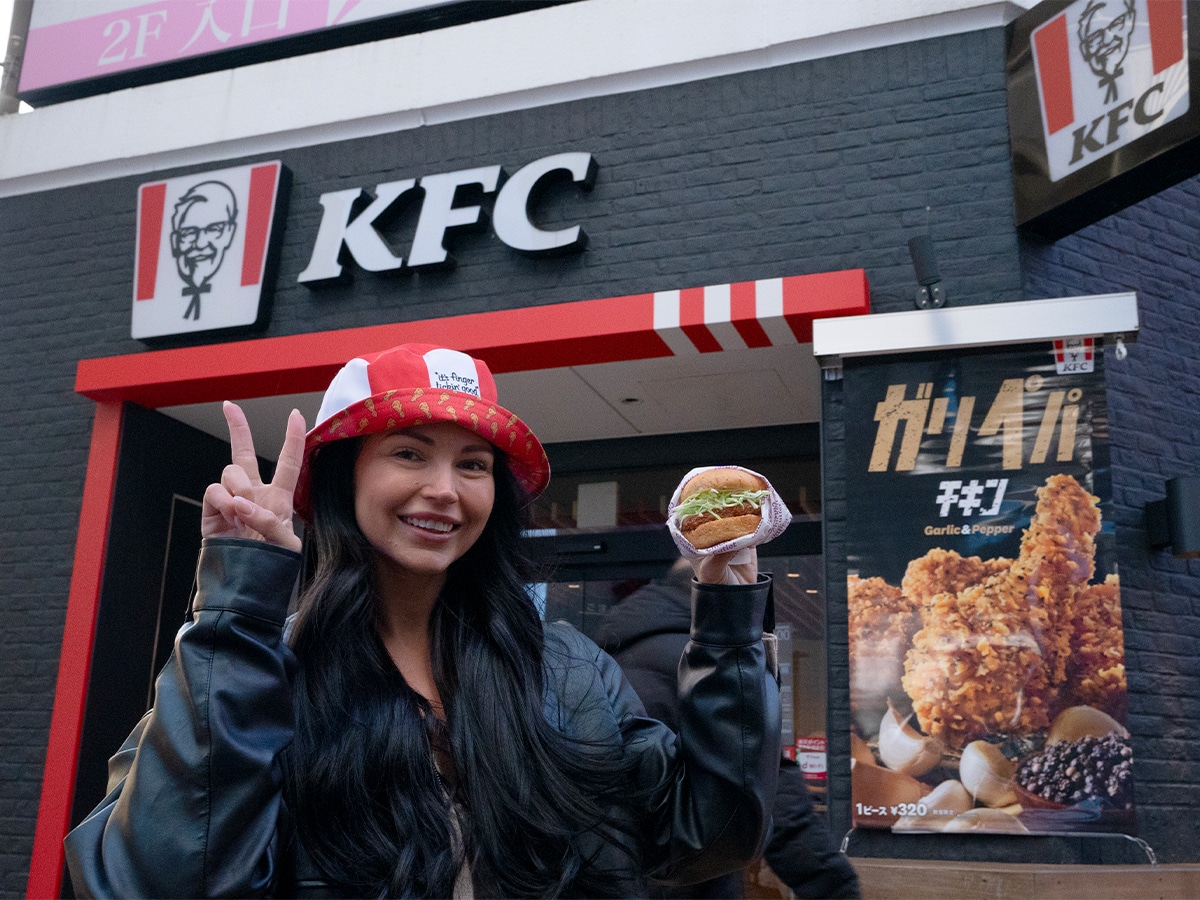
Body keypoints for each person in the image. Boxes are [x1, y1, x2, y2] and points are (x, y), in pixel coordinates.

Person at [64, 342, 781, 898]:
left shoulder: (565, 669)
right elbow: (163, 884)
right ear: (345, 480)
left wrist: (727, 623)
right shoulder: (252, 671)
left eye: (473, 465)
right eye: (409, 454)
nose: (444, 491)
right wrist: (236, 608)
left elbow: (706, 835)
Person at [599, 561, 861, 899]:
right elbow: (764, 785)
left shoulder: (603, 659)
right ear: (713, 590)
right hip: (694, 884)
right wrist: (834, 885)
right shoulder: (714, 666)